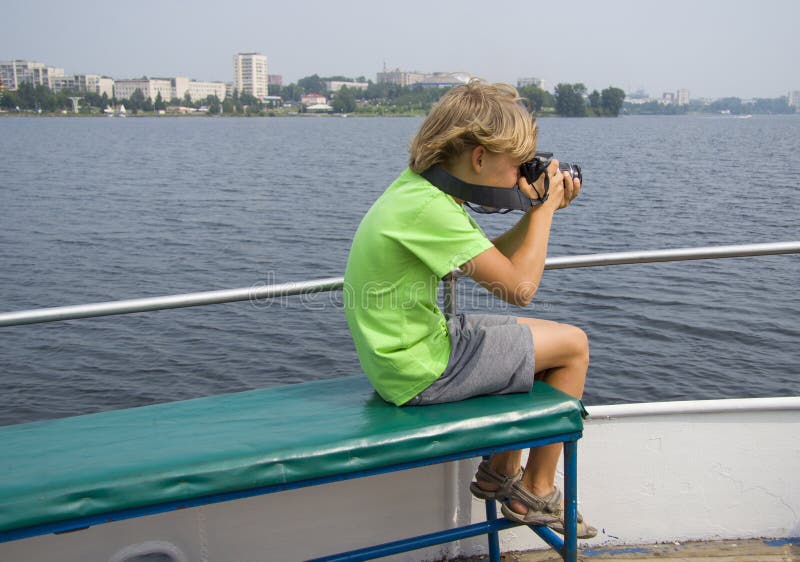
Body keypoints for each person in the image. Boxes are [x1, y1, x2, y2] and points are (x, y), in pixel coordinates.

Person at [343, 80, 595, 538]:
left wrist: (533, 207)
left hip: (405, 355)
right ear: (479, 157)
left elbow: (489, 263)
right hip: (422, 368)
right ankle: (535, 490)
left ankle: (500, 472)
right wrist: (544, 211)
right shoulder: (431, 211)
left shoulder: (420, 192)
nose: (519, 175)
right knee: (573, 346)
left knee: (536, 334)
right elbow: (519, 286)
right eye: (515, 165)